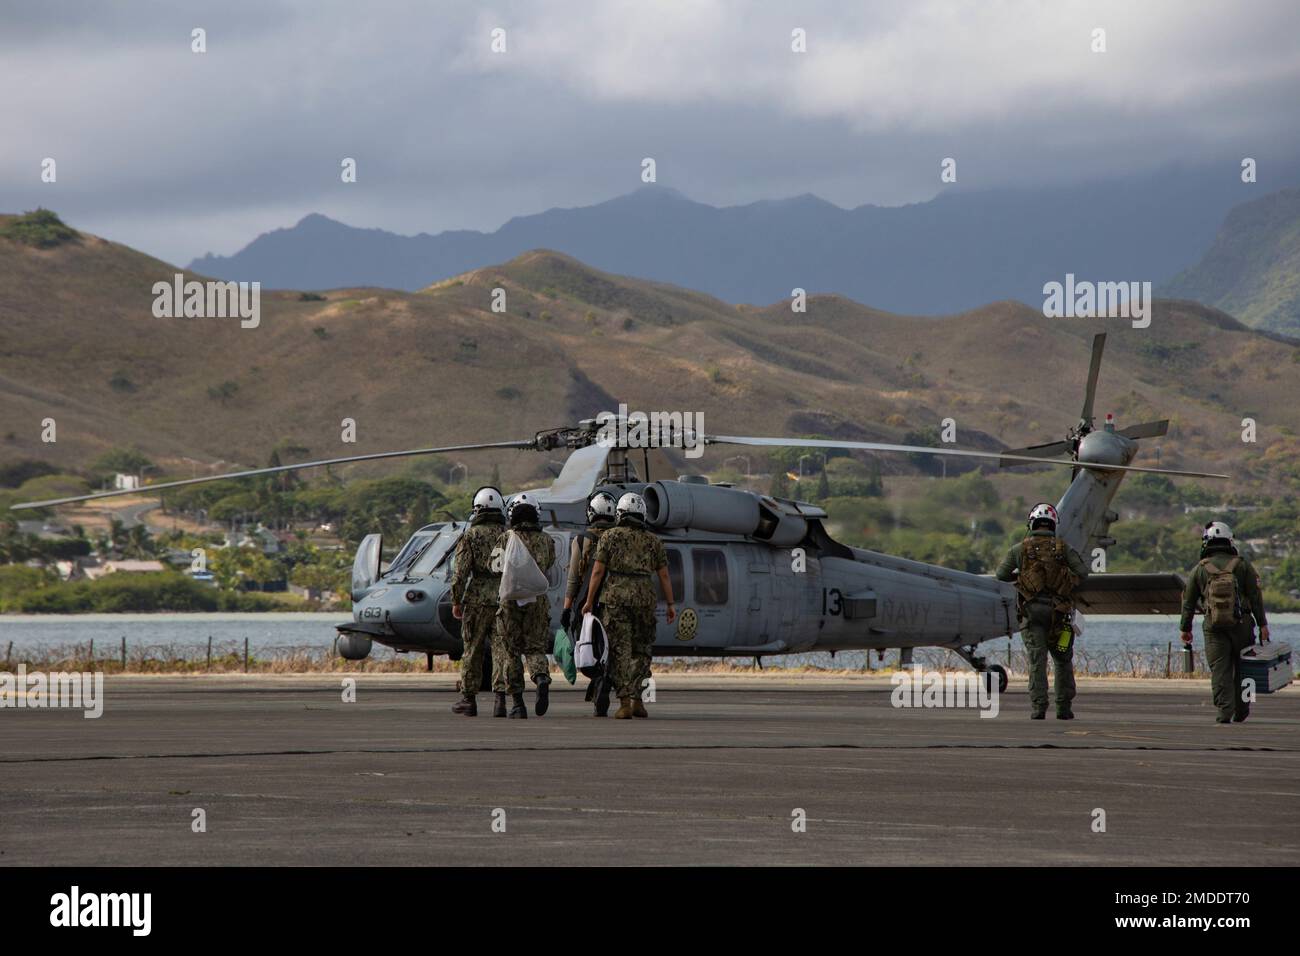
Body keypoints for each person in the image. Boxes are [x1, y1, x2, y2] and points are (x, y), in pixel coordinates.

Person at [582, 492, 676, 719]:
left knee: (619, 651)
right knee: (642, 650)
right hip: (644, 599)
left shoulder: (610, 537)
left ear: (619, 514)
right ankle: (638, 701)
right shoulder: (653, 541)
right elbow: (664, 575)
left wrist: (589, 601)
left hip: (615, 599)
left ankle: (624, 703)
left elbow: (597, 571)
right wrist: (671, 603)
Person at [995, 502, 1089, 720]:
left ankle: (1039, 708)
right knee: (1062, 659)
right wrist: (1067, 581)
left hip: (1032, 612)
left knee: (1037, 659)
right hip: (1061, 612)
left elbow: (1001, 574)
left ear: (1032, 523)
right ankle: (1063, 709)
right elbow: (1082, 572)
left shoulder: (1019, 549)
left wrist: (1020, 578)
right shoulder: (1063, 548)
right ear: (1053, 524)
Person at [1179, 521, 1270, 724]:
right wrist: (1263, 624)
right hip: (1243, 625)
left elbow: (1188, 603)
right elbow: (1256, 597)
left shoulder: (1199, 570)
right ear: (1229, 541)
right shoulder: (1244, 565)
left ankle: (1224, 712)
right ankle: (1243, 710)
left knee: (1220, 669)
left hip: (1213, 627)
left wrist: (1185, 629)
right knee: (1245, 668)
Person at [494, 492, 556, 719]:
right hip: (537, 601)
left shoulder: (505, 539)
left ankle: (518, 704)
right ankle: (540, 678)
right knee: (535, 648)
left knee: (511, 652)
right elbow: (549, 565)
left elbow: (495, 567)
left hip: (510, 601)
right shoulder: (547, 540)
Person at [449, 486, 508, 717]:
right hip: (504, 597)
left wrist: (456, 600)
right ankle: (500, 700)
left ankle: (469, 699)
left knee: (472, 649)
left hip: (477, 599)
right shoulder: (508, 534)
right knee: (501, 649)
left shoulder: (470, 536)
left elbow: (460, 573)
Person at [561, 491, 618, 715]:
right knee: (612, 649)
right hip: (614, 601)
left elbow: (574, 578)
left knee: (589, 648)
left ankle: (597, 681)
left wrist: (567, 608)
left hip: (587, 603)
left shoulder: (581, 539)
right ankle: (604, 684)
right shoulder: (619, 537)